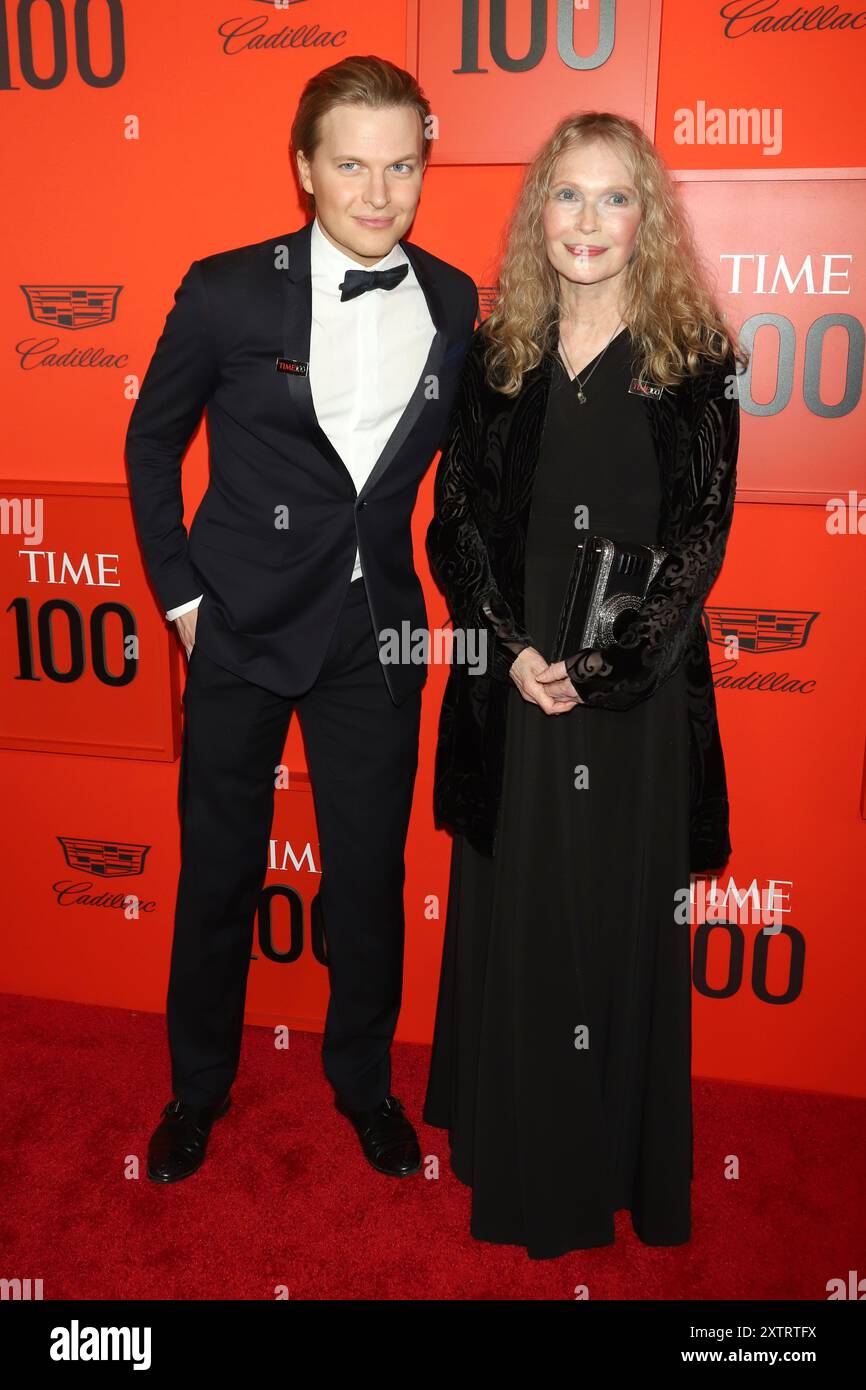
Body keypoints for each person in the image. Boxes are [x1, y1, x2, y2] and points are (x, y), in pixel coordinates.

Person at [125, 55, 478, 1184]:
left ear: (422, 169)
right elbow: (150, 443)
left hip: (375, 634)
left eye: (401, 167)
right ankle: (196, 1090)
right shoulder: (228, 290)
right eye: (352, 166)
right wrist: (181, 597)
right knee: (219, 869)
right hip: (236, 624)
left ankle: (365, 1086)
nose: (379, 194)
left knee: (368, 876)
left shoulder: (455, 299)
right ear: (304, 171)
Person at [423, 111, 746, 1259]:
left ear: (644, 218)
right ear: (537, 214)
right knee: (520, 912)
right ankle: (516, 1146)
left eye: (615, 199)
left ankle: (608, 1155)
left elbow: (702, 537)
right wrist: (508, 646)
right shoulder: (496, 355)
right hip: (510, 684)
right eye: (567, 195)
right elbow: (451, 520)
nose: (589, 222)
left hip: (632, 699)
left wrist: (605, 665)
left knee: (608, 918)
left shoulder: (693, 359)